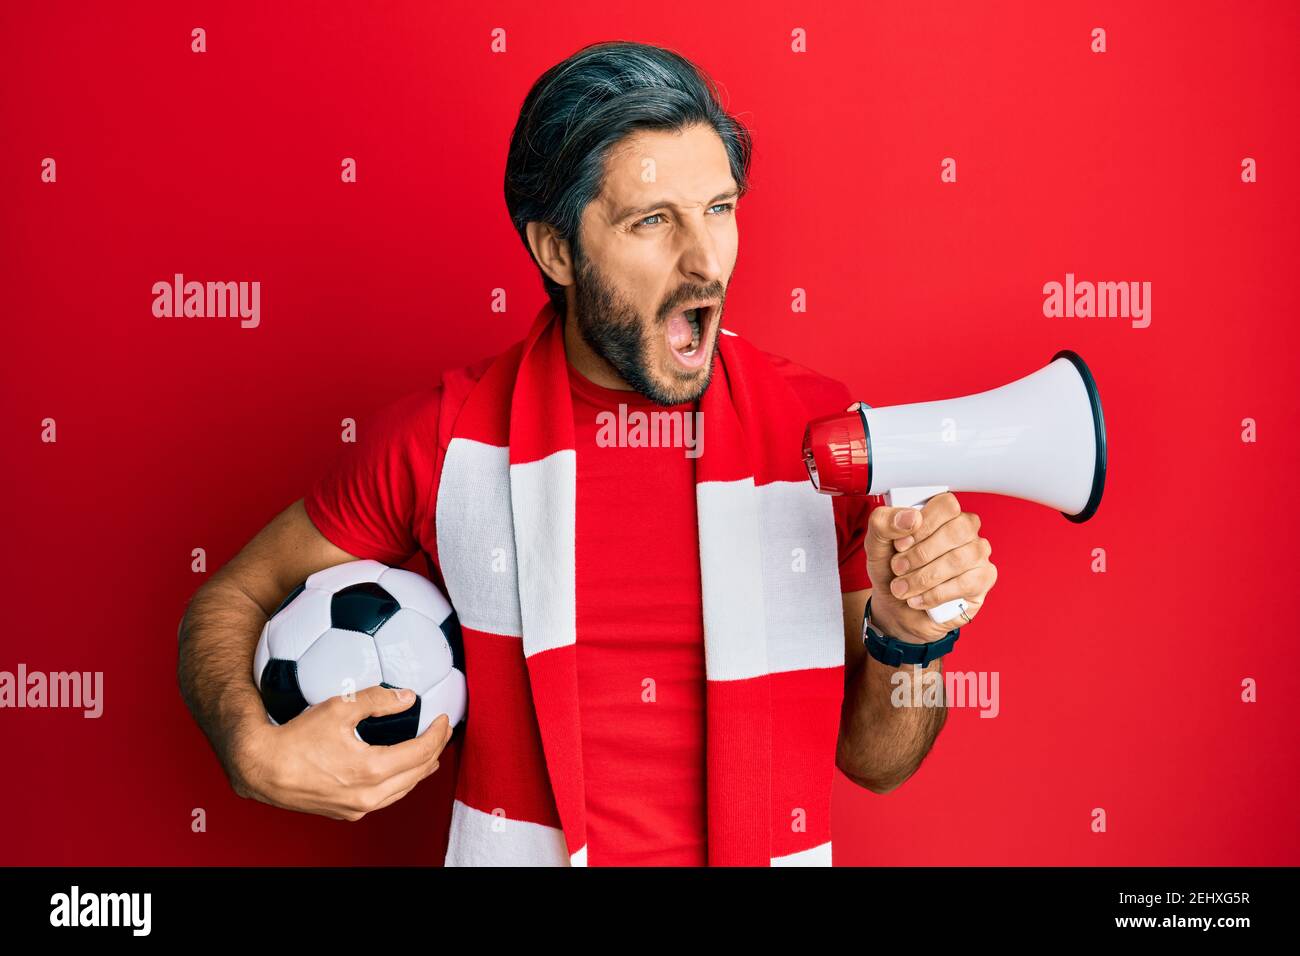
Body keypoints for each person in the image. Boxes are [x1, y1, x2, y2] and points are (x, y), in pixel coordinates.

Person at [177, 39, 997, 866]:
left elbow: (879, 763)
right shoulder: (444, 439)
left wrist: (910, 638)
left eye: (719, 208)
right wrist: (251, 749)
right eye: (653, 221)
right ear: (556, 250)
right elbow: (232, 597)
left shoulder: (826, 437)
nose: (705, 261)